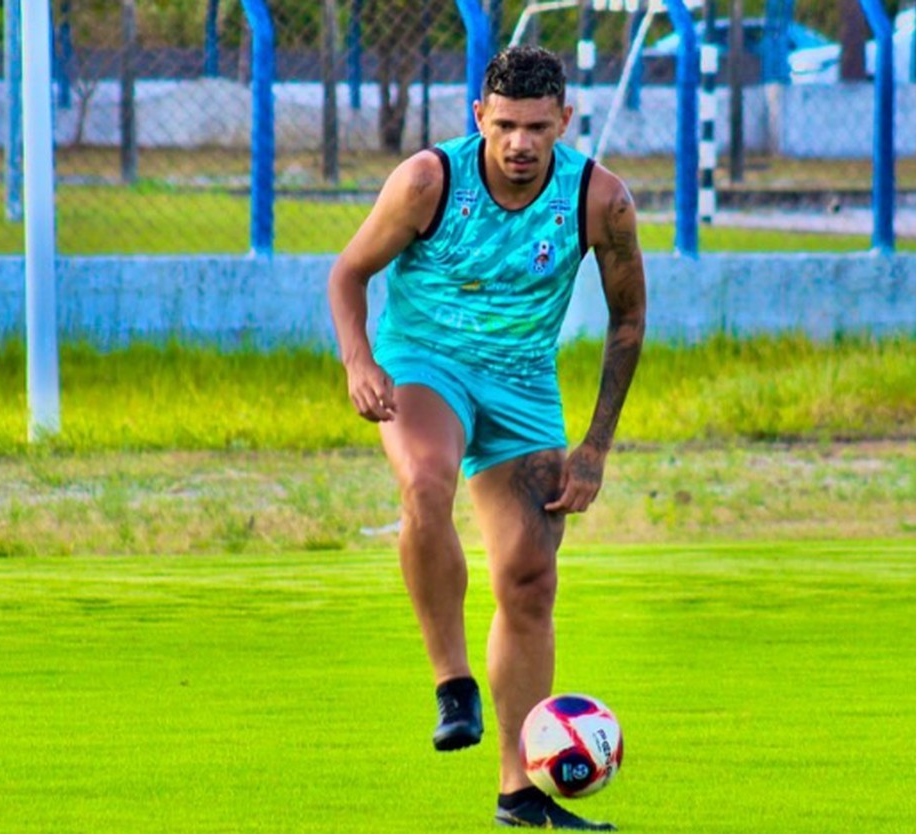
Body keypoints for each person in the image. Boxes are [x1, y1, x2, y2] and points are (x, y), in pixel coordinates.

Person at [327, 45, 646, 831]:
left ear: (565, 121)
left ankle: (521, 791)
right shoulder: (430, 181)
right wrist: (359, 360)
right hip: (425, 363)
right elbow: (347, 273)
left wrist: (596, 447)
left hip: (525, 385)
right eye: (504, 124)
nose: (520, 143)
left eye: (538, 126)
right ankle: (452, 684)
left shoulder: (598, 200)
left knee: (530, 579)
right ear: (479, 117)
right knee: (427, 482)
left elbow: (629, 319)